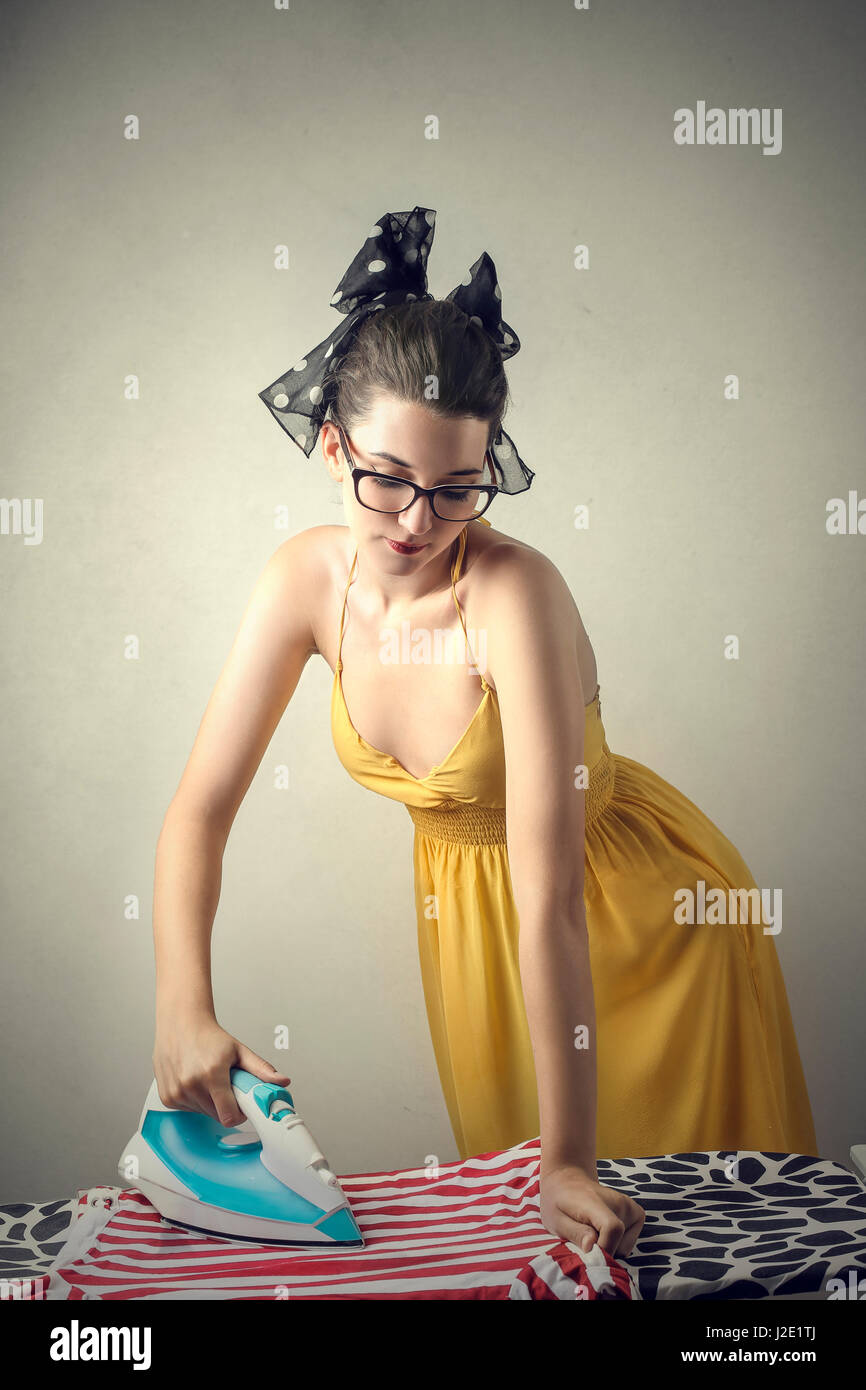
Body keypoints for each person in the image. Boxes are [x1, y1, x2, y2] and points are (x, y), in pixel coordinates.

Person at [151, 208, 816, 1257]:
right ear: (331, 445)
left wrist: (569, 1158)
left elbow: (548, 902)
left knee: (683, 1247)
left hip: (634, 926)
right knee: (528, 1248)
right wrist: (182, 1009)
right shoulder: (302, 582)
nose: (417, 522)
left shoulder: (513, 594)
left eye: (456, 489)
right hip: (473, 939)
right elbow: (199, 811)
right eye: (386, 480)